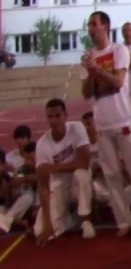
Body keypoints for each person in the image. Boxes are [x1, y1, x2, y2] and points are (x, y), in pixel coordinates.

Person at [80, 10, 131, 236]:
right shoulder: (88, 56)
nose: (90, 29)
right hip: (102, 125)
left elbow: (117, 82)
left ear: (105, 26)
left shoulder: (119, 50)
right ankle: (124, 222)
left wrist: (97, 71)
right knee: (112, 175)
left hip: (123, 120)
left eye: (94, 24)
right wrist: (90, 74)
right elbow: (87, 93)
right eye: (89, 25)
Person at [32, 98, 95, 244]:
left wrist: (54, 167)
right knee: (40, 231)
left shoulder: (77, 128)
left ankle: (86, 221)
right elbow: (43, 187)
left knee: (82, 174)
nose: (53, 120)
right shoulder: (42, 145)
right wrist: (47, 224)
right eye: (50, 117)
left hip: (76, 179)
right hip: (58, 184)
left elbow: (84, 163)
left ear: (65, 115)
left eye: (57, 115)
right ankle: (70, 218)